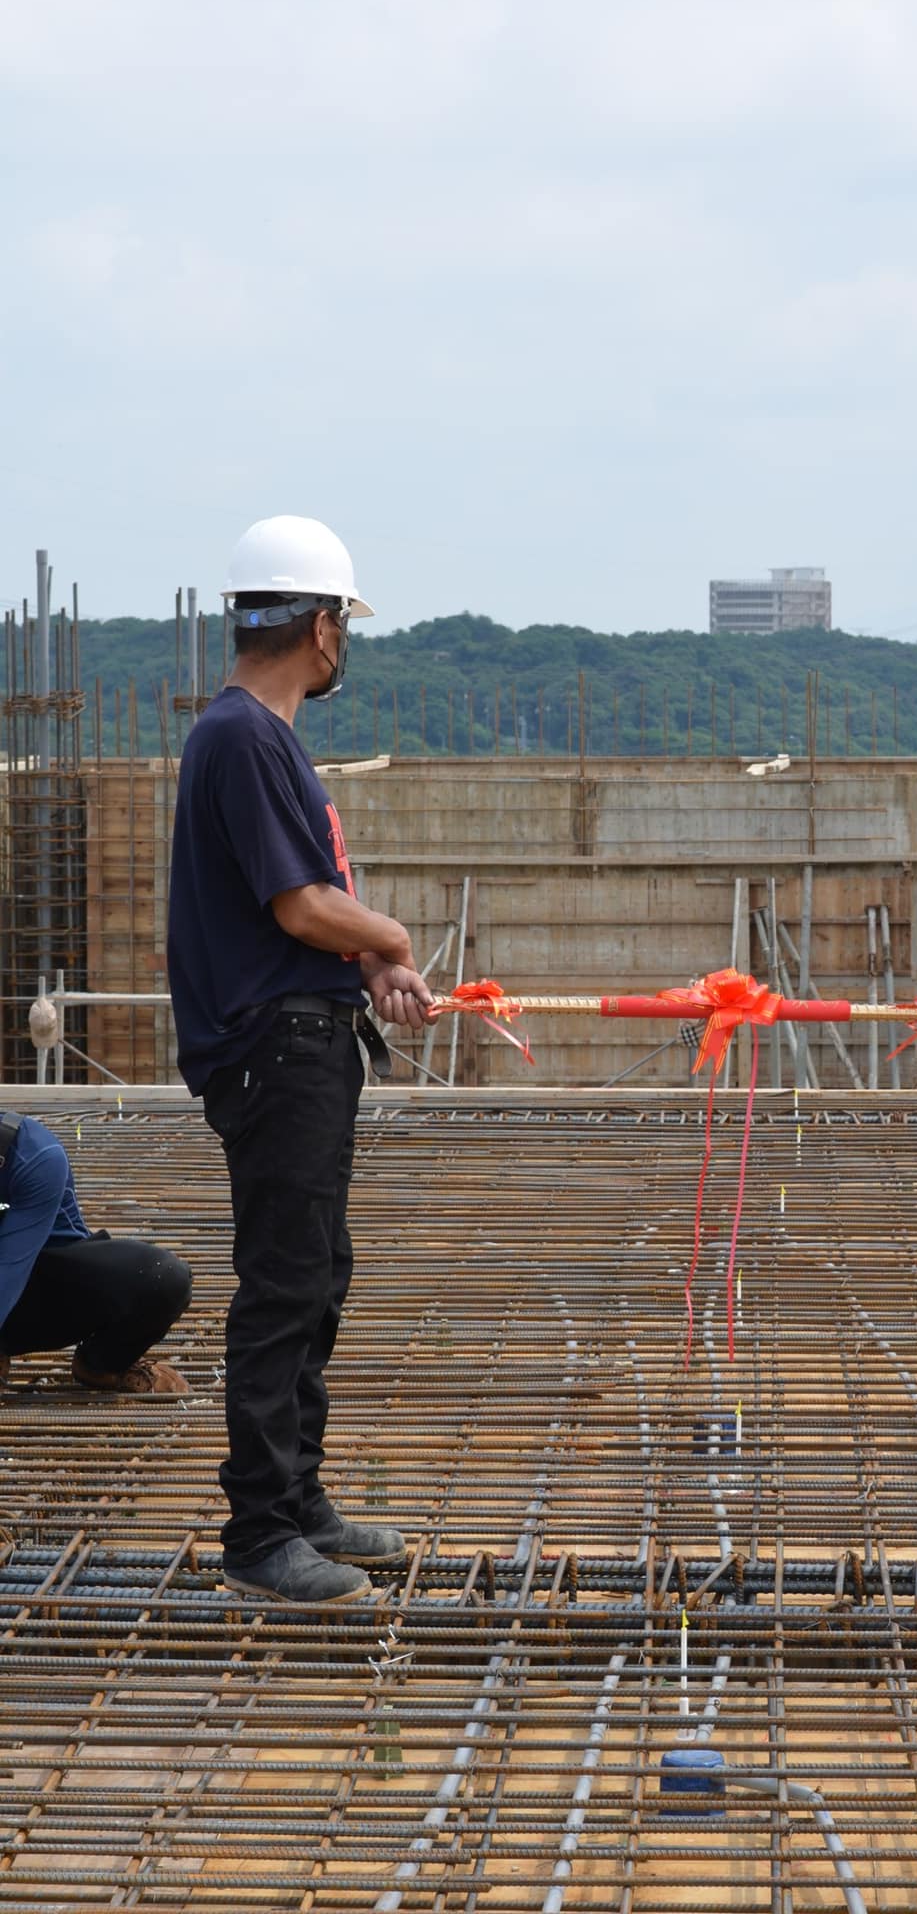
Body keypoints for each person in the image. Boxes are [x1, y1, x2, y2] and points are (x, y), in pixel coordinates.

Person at [168, 516, 433, 1605]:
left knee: (318, 1269)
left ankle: (299, 1499)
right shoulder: (243, 736)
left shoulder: (255, 737)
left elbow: (305, 913)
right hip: (276, 1050)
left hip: (302, 1035)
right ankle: (261, 1532)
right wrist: (393, 941)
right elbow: (301, 901)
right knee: (284, 1281)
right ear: (323, 628)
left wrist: (362, 966)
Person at [0, 1111, 191, 1394]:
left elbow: (10, 1268)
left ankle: (101, 1364)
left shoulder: (32, 1153)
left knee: (161, 1278)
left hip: (37, 1291)